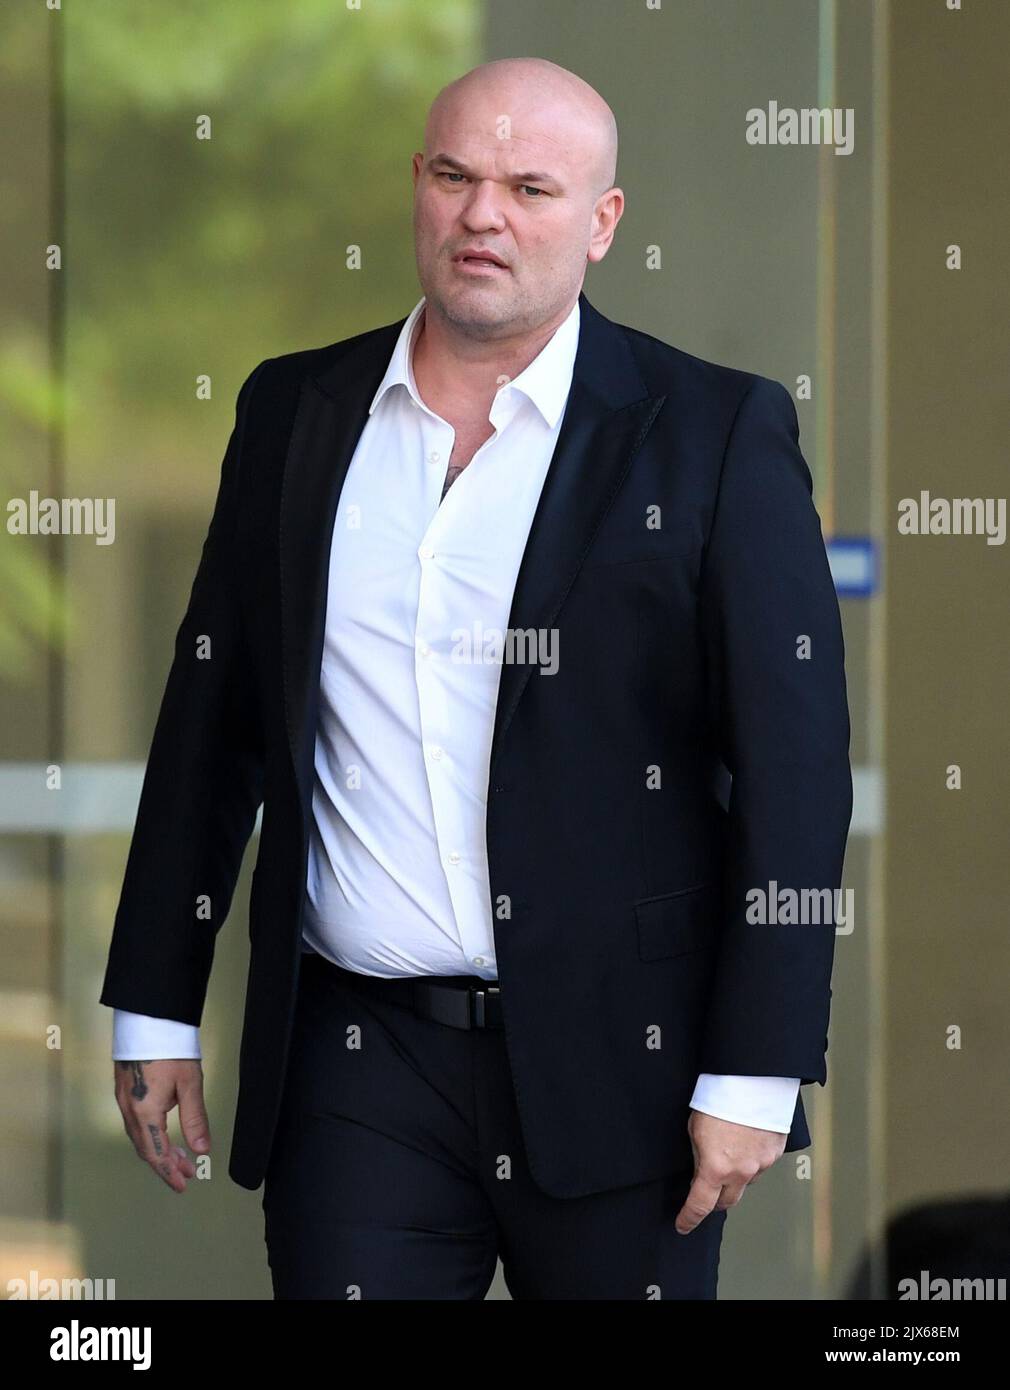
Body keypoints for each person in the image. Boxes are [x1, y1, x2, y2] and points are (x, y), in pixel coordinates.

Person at [101, 56, 852, 1300]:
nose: (482, 214)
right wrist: (153, 1005)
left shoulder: (714, 431)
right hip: (357, 1065)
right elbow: (212, 722)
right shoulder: (294, 412)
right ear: (416, 187)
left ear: (602, 223)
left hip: (630, 1067)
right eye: (454, 175)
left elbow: (794, 768)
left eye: (529, 186)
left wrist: (755, 1069)